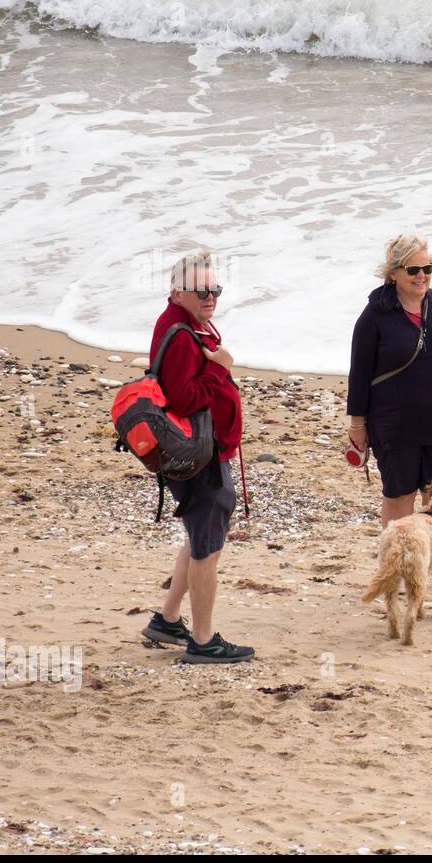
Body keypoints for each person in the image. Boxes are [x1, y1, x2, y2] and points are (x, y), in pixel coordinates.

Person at [346, 232, 432, 593]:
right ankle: (393, 568)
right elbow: (359, 374)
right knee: (399, 496)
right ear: (393, 273)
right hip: (393, 423)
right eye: (413, 269)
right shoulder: (375, 315)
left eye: (428, 268)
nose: (422, 275)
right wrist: (357, 425)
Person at [139, 250, 255, 663]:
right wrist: (221, 368)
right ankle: (204, 641)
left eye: (215, 290)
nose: (210, 298)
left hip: (203, 451)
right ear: (177, 292)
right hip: (199, 455)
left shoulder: (185, 323)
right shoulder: (182, 335)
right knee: (208, 546)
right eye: (200, 291)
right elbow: (184, 399)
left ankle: (168, 620)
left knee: (199, 533)